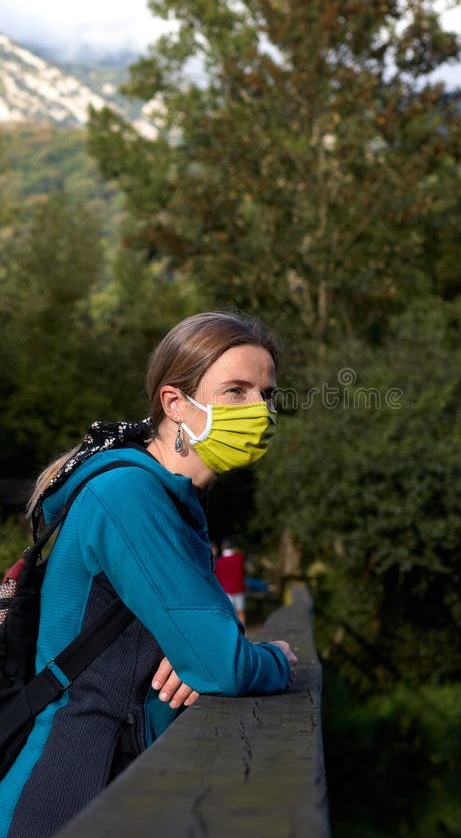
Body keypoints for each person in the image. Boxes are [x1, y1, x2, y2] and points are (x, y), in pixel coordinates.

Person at [0, 311, 297, 838]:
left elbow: (209, 645)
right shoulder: (130, 496)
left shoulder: (174, 500)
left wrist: (197, 653)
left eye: (267, 394)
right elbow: (227, 665)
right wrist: (274, 657)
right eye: (236, 391)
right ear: (175, 403)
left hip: (119, 776)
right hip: (66, 791)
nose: (259, 410)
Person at [214, 538, 247, 626]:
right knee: (240, 612)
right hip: (239, 589)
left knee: (229, 614)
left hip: (226, 591)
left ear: (223, 547)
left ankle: (232, 631)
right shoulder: (239, 558)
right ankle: (243, 631)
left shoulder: (219, 561)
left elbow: (218, 577)